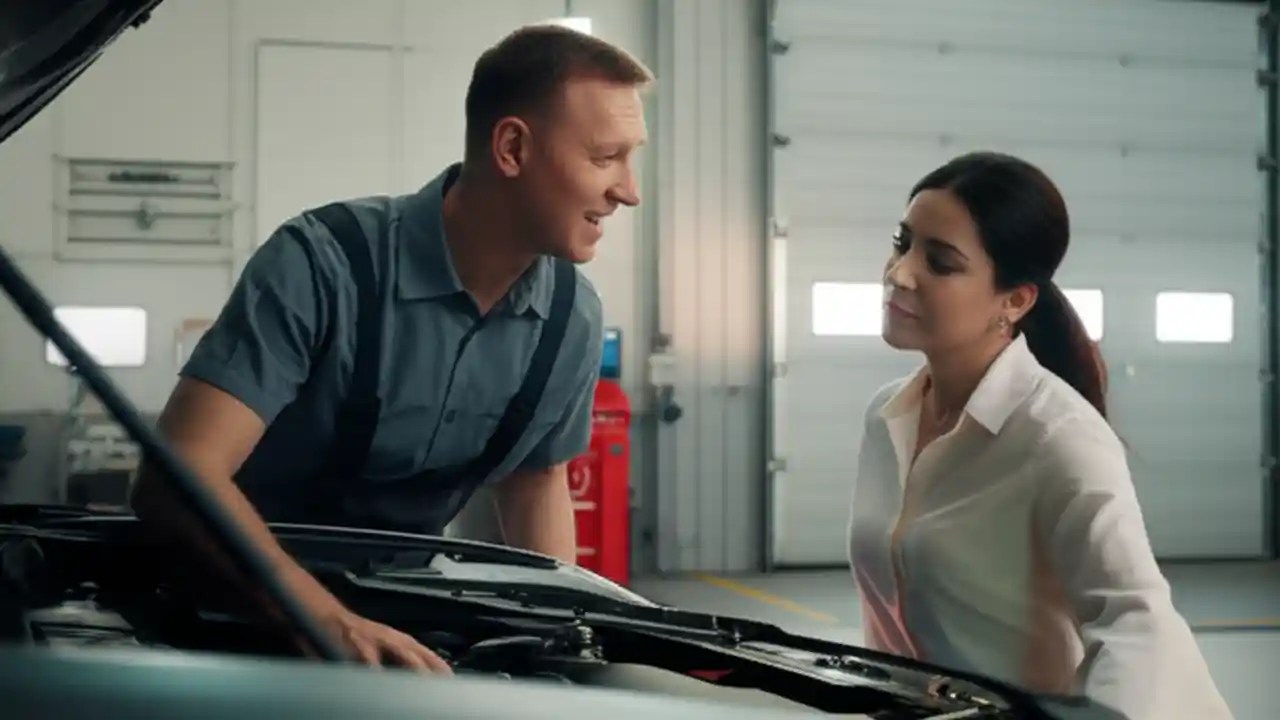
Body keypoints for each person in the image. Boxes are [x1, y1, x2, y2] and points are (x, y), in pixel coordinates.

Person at [129, 24, 651, 674]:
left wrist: (567, 643)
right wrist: (325, 621)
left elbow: (536, 482)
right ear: (512, 147)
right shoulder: (323, 268)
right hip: (225, 629)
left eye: (633, 160)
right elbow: (178, 478)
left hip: (400, 630)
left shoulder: (572, 316)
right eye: (606, 158)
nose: (629, 190)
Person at [846, 152, 1233, 719]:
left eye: (941, 262)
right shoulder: (888, 416)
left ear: (1015, 300)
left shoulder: (1059, 437)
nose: (899, 272)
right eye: (903, 243)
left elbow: (1135, 617)